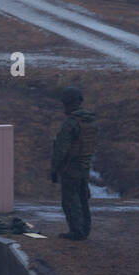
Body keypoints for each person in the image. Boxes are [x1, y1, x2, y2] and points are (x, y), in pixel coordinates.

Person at [50, 87, 96, 240]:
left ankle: (76, 231)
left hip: (70, 167)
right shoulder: (90, 121)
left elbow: (61, 149)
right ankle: (84, 229)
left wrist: (55, 167)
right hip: (84, 166)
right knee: (82, 199)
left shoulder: (70, 123)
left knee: (70, 200)